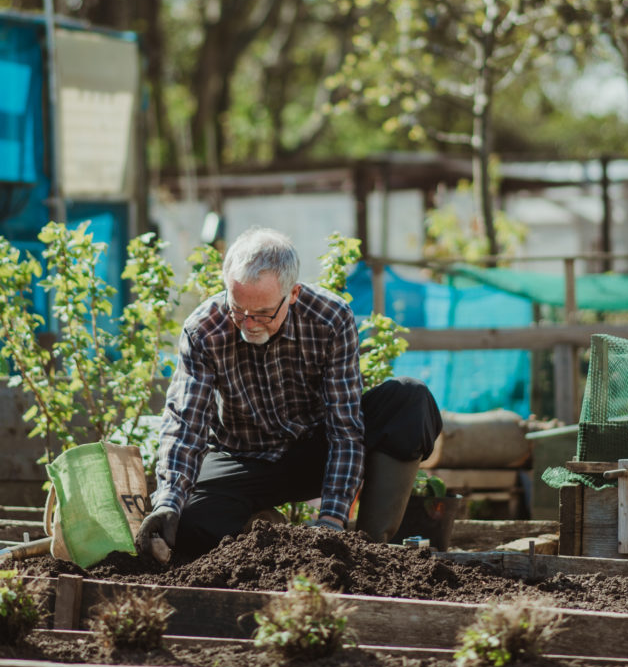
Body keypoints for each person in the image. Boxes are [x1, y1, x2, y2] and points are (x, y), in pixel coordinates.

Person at [135, 226, 441, 561]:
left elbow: (345, 427)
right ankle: (263, 530)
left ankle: (364, 550)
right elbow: (186, 423)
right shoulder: (204, 329)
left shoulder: (329, 318)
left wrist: (332, 519)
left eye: (264, 314)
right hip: (242, 458)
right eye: (238, 310)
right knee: (188, 522)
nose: (249, 323)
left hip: (315, 451)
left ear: (292, 294)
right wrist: (167, 502)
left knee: (410, 398)